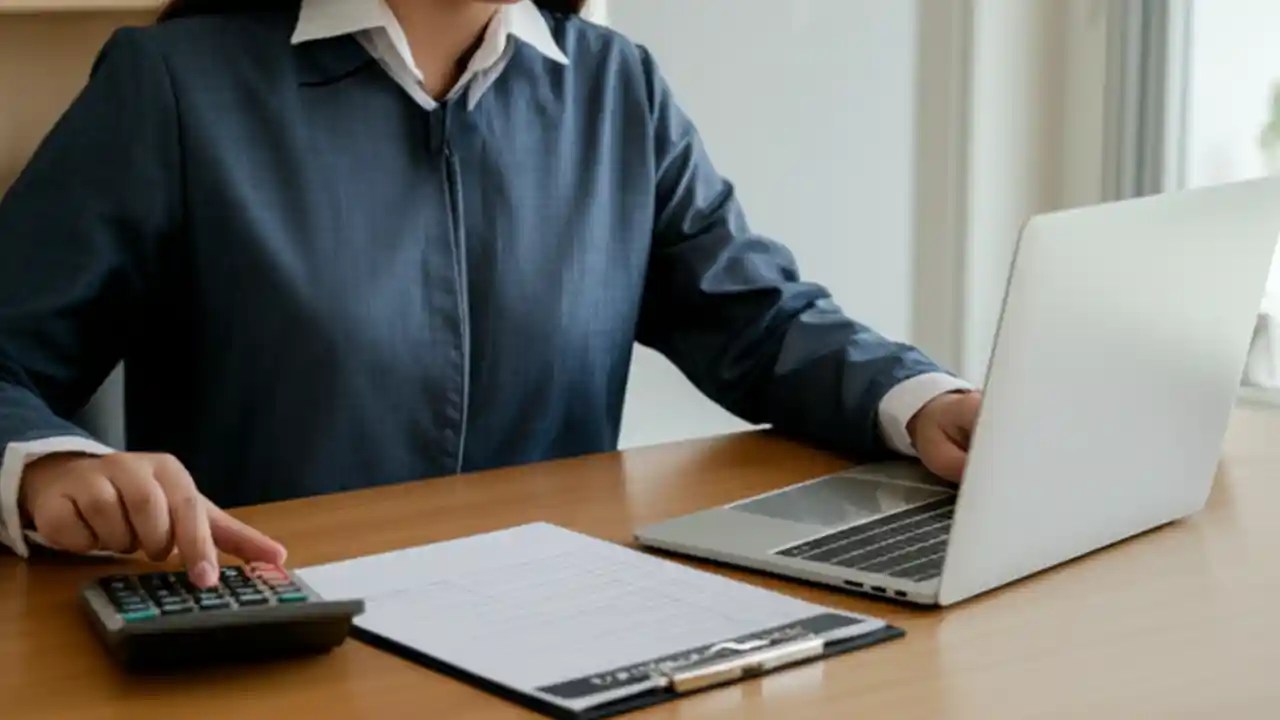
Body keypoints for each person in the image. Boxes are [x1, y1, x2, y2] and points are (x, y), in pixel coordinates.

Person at [0, 0, 981, 588]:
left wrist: (920, 401)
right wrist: (48, 468)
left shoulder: (616, 86)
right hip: (276, 613)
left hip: (553, 610)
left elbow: (754, 313)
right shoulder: (173, 84)